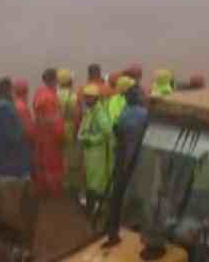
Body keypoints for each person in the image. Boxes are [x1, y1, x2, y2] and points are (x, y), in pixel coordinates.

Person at [103, 81, 149, 247]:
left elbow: (117, 131)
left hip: (122, 159)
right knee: (142, 195)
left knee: (118, 194)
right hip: (137, 159)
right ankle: (138, 229)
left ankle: (112, 231)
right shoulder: (144, 114)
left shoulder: (124, 113)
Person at [0, 78, 33, 179]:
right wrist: (22, 139)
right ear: (7, 90)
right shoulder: (5, 107)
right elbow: (10, 131)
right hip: (6, 151)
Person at [78, 83, 114, 216]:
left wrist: (92, 140)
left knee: (95, 182)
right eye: (85, 97)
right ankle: (93, 207)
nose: (86, 100)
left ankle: (93, 210)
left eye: (89, 97)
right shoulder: (92, 111)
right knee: (91, 180)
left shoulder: (99, 113)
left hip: (96, 154)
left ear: (95, 98)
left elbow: (108, 131)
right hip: (90, 152)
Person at [32, 68, 65, 196]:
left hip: (40, 135)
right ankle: (53, 192)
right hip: (51, 138)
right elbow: (54, 121)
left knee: (41, 163)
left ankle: (41, 189)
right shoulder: (51, 98)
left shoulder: (39, 93)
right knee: (53, 166)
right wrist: (61, 136)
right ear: (54, 80)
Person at [57, 69, 84, 196]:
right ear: (69, 81)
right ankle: (71, 186)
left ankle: (60, 183)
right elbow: (76, 114)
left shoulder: (54, 93)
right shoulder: (72, 96)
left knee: (59, 156)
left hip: (56, 128)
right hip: (69, 128)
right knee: (72, 158)